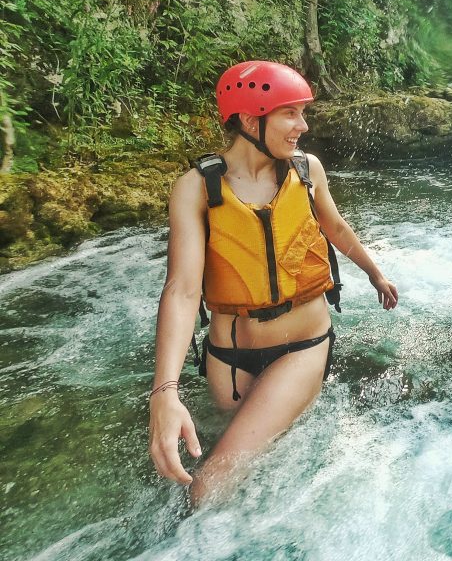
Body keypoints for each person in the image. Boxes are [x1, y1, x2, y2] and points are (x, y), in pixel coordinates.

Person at [148, 61, 398, 503]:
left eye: (302, 113)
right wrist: (164, 392)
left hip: (300, 346)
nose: (303, 125)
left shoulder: (307, 170)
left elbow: (335, 227)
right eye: (290, 113)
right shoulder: (196, 187)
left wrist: (374, 273)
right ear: (249, 119)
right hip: (229, 358)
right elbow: (182, 289)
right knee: (246, 462)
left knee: (208, 490)